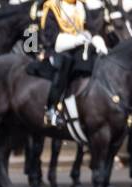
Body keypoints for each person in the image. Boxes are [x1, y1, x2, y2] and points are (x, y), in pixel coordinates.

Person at [39, 0, 106, 128]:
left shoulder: (81, 6)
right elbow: (50, 36)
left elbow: (90, 29)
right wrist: (75, 40)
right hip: (57, 48)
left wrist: (96, 40)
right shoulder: (52, 6)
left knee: (94, 61)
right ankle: (51, 109)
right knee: (64, 63)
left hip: (80, 47)